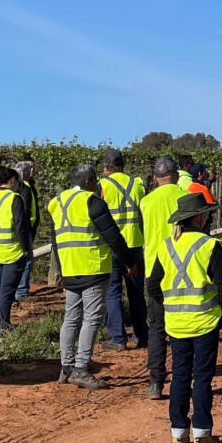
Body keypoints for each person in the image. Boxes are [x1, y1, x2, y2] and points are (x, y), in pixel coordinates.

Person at [147, 191, 222, 443]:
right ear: (197, 217)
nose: (208, 217)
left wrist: (171, 307)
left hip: (176, 323)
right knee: (203, 377)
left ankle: (178, 434)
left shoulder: (166, 245)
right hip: (205, 322)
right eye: (205, 213)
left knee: (180, 376)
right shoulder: (209, 245)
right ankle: (203, 435)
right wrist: (220, 312)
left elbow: (152, 286)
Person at [49, 163, 133, 390]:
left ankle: (66, 367)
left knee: (71, 318)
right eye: (95, 180)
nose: (97, 184)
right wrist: (129, 261)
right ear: (88, 182)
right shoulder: (93, 202)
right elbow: (113, 236)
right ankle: (82, 368)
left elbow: (55, 241)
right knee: (92, 319)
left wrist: (62, 270)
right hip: (93, 267)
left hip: (70, 269)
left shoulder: (57, 203)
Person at [134, 156, 185, 399]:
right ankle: (183, 376)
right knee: (183, 325)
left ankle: (155, 382)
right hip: (184, 267)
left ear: (155, 178)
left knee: (156, 326)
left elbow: (142, 232)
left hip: (154, 268)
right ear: (176, 175)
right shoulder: (185, 198)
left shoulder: (145, 202)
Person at [99, 149, 147, 353]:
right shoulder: (136, 184)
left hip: (113, 246)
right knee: (136, 292)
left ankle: (118, 338)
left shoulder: (103, 186)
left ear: (105, 167)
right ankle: (142, 335)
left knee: (113, 292)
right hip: (135, 244)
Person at [0, 165, 29, 333]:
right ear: (12, 180)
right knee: (7, 292)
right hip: (12, 251)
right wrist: (26, 249)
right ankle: (3, 327)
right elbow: (21, 226)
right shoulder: (15, 198)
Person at [11, 157, 41, 302]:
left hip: (29, 227)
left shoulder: (29, 185)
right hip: (25, 228)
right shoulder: (23, 188)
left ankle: (21, 288)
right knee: (26, 259)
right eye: (30, 168)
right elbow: (24, 210)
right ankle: (21, 291)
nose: (32, 171)